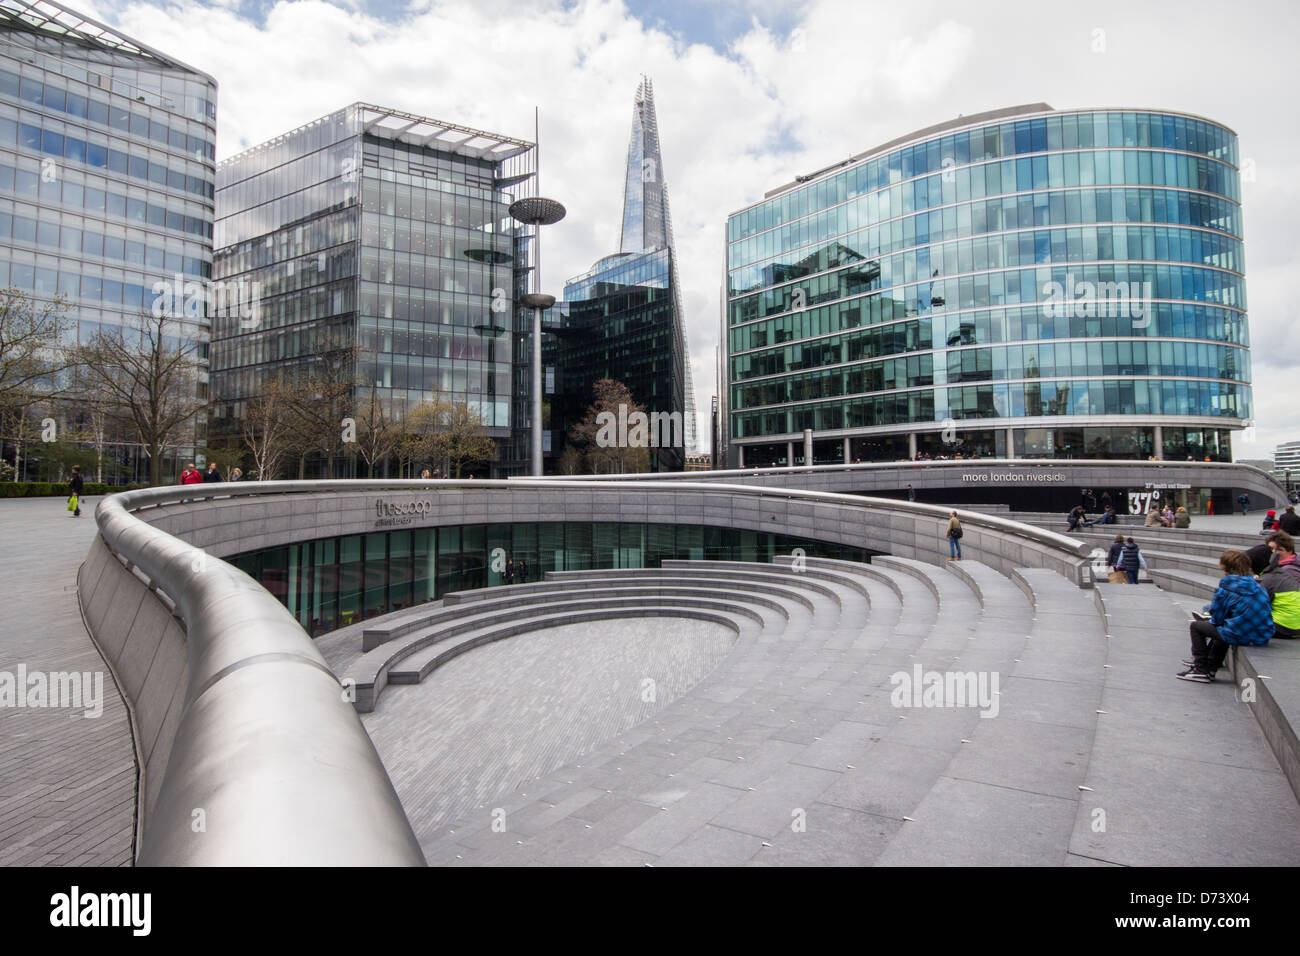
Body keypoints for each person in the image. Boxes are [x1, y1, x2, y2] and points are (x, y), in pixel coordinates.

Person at [1178, 549, 1272, 683]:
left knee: (1197, 627)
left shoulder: (1227, 587)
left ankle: (1200, 669)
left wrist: (1212, 618)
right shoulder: (1258, 586)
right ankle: (1211, 667)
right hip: (1262, 634)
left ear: (1225, 567)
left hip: (1243, 635)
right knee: (1226, 628)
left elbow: (1217, 618)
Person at [1258, 532, 1300, 639]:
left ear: (1290, 551)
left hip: (1287, 624)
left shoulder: (1288, 570)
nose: (1274, 553)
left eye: (1279, 549)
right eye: (1271, 549)